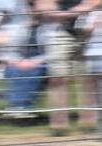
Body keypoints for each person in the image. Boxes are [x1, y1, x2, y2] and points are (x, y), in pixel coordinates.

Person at [36, 0, 100, 133]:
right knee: (58, 78)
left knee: (87, 79)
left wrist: (74, 12)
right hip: (58, 32)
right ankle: (59, 125)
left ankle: (89, 123)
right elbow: (43, 6)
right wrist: (74, 12)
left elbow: (93, 3)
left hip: (87, 32)